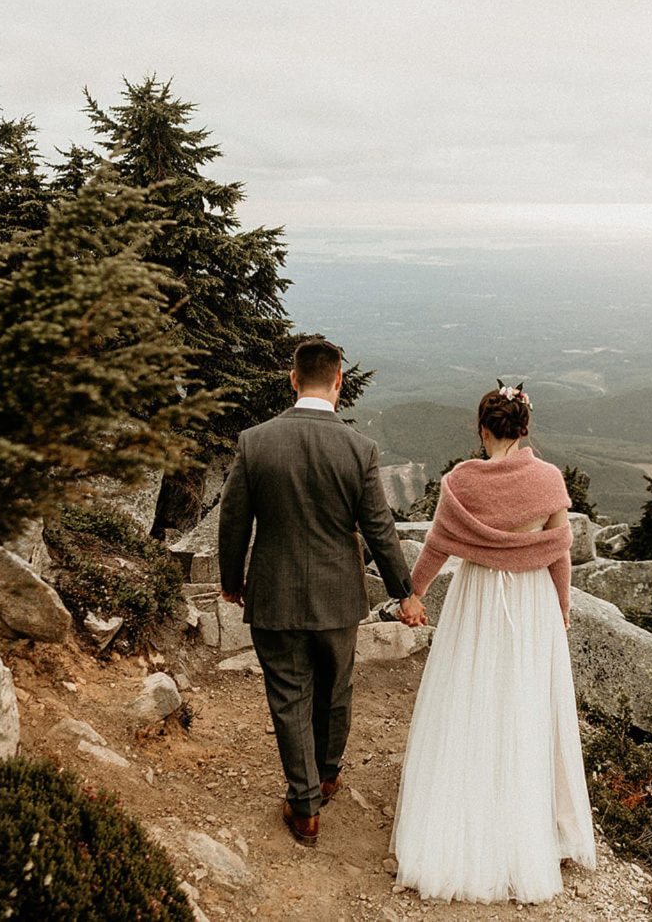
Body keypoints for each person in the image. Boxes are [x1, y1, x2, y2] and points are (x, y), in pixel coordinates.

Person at [390, 382, 597, 903]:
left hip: (477, 598)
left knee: (469, 699)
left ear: (484, 429)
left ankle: (459, 822)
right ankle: (528, 827)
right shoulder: (548, 478)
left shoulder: (461, 481)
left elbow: (437, 546)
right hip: (530, 605)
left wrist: (413, 594)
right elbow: (559, 548)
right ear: (525, 428)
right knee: (525, 705)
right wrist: (563, 604)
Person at [217, 337, 426, 849]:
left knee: (289, 694)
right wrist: (406, 592)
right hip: (338, 595)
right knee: (335, 688)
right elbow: (380, 529)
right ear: (338, 383)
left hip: (275, 591)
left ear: (293, 380)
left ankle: (305, 805)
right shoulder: (359, 449)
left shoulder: (255, 441)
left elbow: (233, 520)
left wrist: (230, 579)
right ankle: (328, 774)